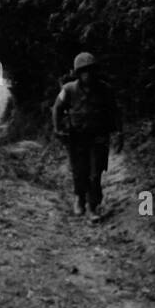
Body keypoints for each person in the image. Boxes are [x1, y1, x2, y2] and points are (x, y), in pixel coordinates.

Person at [52, 52, 123, 219]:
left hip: (98, 137)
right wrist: (57, 129)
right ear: (78, 73)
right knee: (79, 171)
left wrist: (120, 133)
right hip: (76, 137)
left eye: (91, 70)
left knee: (95, 172)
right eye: (84, 71)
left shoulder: (105, 90)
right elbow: (57, 108)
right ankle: (79, 198)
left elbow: (115, 111)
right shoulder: (68, 89)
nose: (88, 75)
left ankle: (93, 206)